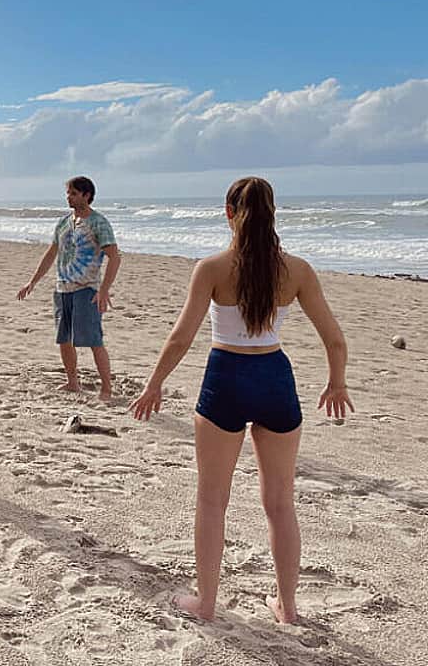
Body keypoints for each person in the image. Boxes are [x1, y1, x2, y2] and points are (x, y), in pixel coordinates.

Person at [129, 177, 352, 623]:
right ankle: (287, 607)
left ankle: (206, 603)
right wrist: (336, 383)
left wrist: (154, 384)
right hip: (274, 379)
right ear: (274, 213)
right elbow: (334, 339)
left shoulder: (211, 268)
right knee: (281, 503)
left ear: (228, 212)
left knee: (212, 500)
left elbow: (181, 337)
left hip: (226, 379)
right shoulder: (297, 270)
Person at [17, 176, 121, 401]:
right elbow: (51, 253)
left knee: (93, 340)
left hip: (87, 289)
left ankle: (106, 389)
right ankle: (72, 382)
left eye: (73, 193)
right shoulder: (64, 222)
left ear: (86, 195)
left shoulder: (98, 223)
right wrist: (32, 281)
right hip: (62, 288)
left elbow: (114, 257)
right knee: (64, 340)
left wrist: (104, 290)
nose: (68, 197)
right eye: (68, 193)